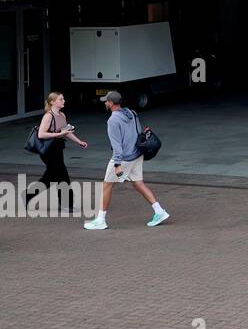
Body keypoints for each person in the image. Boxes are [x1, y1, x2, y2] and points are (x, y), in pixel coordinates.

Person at [83, 91, 169, 230]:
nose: (105, 103)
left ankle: (100, 220)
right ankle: (159, 211)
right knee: (138, 183)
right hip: (137, 154)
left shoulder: (112, 120)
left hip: (123, 158)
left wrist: (117, 164)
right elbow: (138, 132)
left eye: (106, 101)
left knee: (106, 185)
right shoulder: (132, 113)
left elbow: (117, 145)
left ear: (111, 103)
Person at [25, 91, 90, 212]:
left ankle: (29, 195)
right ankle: (66, 204)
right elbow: (41, 134)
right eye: (60, 99)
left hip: (57, 148)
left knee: (53, 176)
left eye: (63, 99)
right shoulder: (48, 116)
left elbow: (67, 131)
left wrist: (79, 141)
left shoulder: (62, 115)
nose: (63, 101)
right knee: (61, 175)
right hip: (48, 150)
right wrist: (60, 133)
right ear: (52, 102)